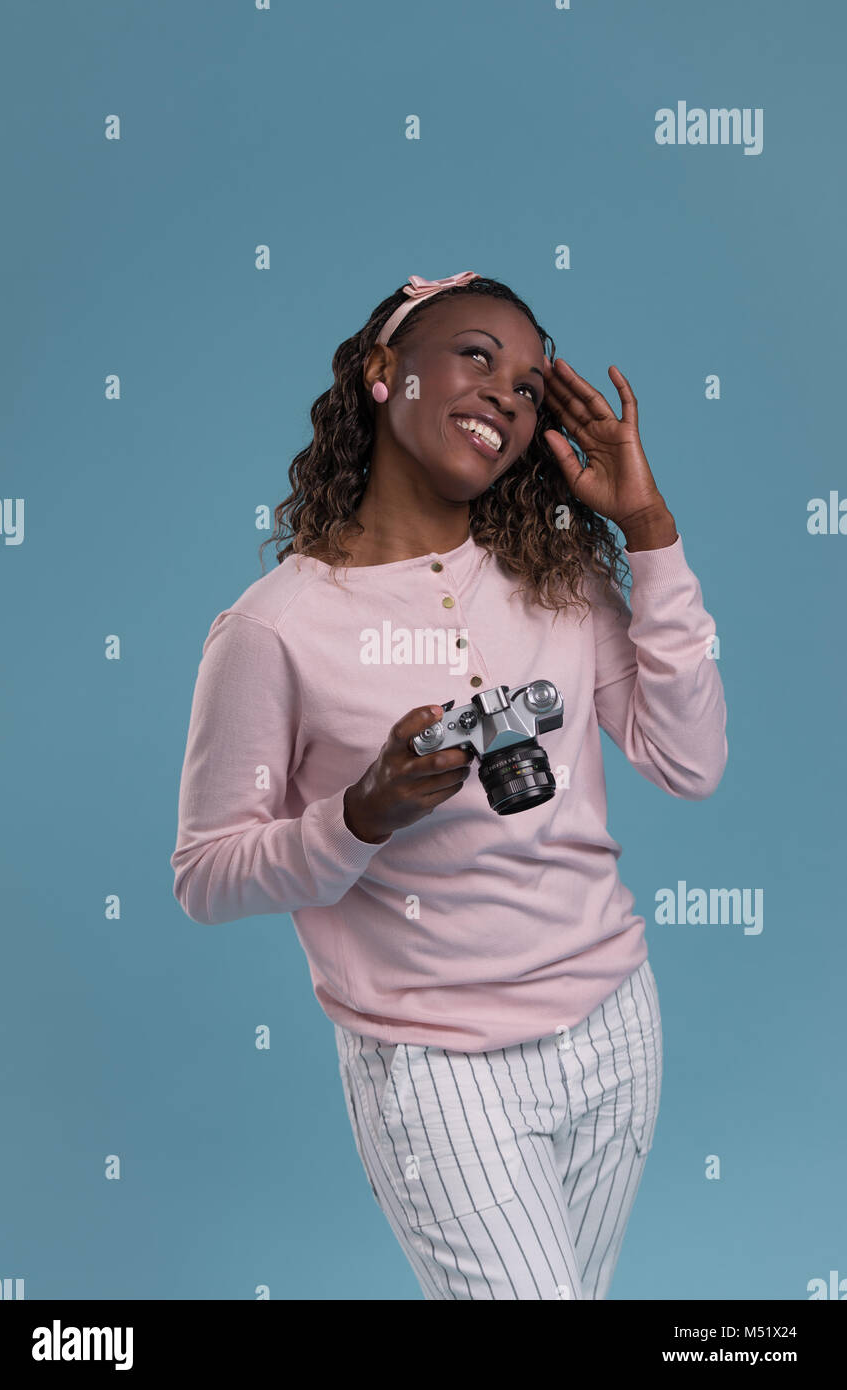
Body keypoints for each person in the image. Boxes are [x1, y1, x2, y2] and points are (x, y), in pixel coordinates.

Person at [170, 271, 728, 1300]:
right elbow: (206, 875)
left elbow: (689, 763)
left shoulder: (555, 574)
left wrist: (648, 528)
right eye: (476, 355)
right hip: (436, 1069)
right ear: (386, 374)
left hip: (614, 1024)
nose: (503, 399)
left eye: (526, 388)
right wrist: (358, 817)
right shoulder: (272, 628)